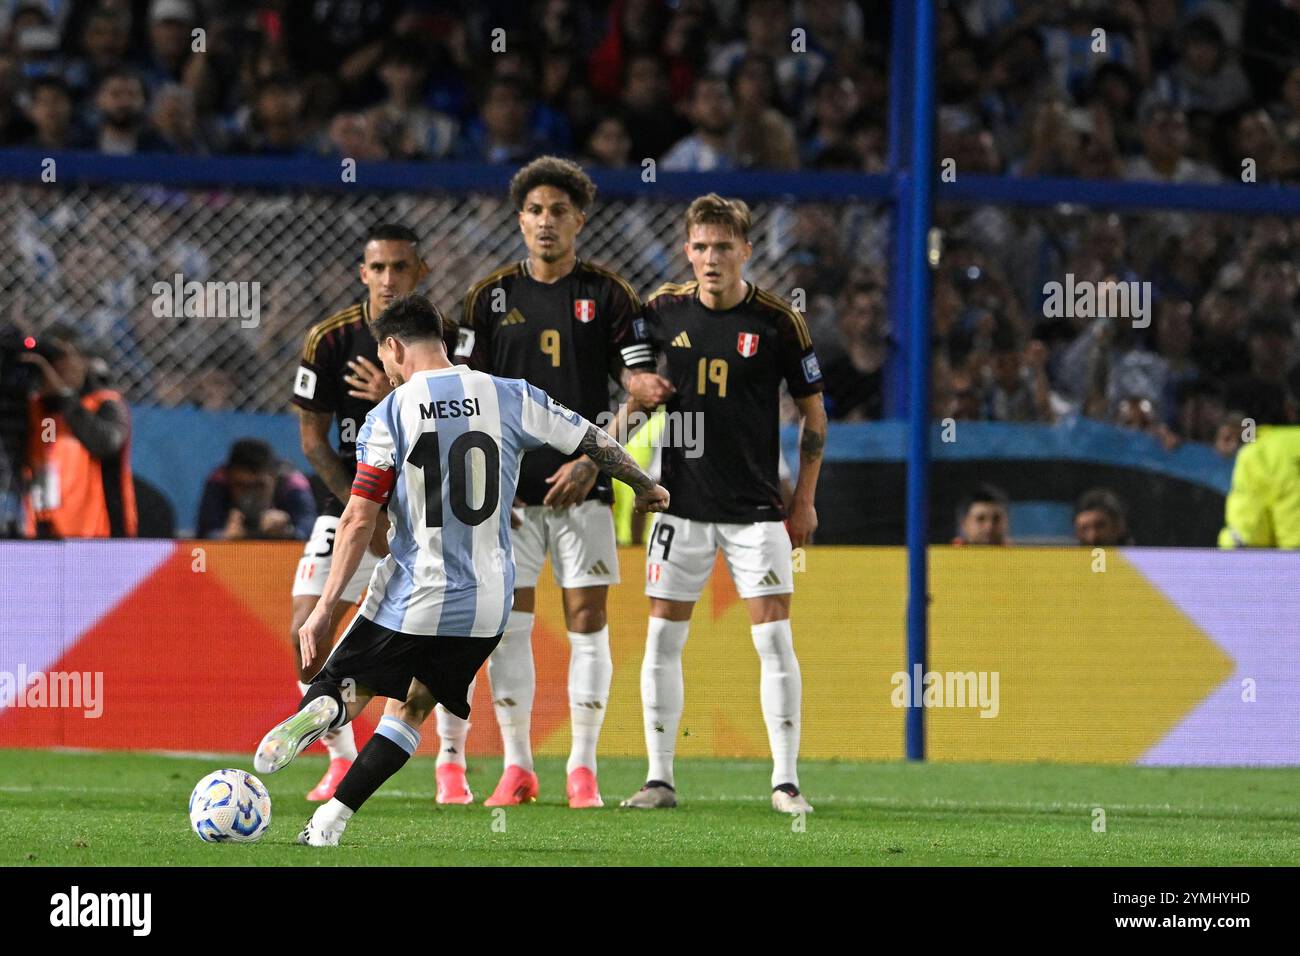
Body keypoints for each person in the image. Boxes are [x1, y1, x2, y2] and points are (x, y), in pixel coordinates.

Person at [253, 293, 669, 847]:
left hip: (414, 589)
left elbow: (358, 516)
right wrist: (646, 485)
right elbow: (592, 439)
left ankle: (330, 703)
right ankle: (330, 824)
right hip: (488, 600)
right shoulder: (508, 395)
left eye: (385, 359)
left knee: (350, 686)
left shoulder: (390, 413)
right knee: (414, 707)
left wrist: (326, 607)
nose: (387, 370)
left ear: (395, 347)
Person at [442, 157, 671, 808]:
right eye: (536, 211)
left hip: (585, 488)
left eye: (559, 212)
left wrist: (595, 458)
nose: (547, 222)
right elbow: (466, 397)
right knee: (510, 625)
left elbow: (640, 391)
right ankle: (517, 767)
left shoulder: (609, 295)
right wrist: (491, 478)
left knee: (587, 623)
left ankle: (583, 768)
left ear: (580, 221)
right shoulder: (488, 298)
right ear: (521, 220)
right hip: (509, 497)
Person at [623, 193, 826, 815]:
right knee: (660, 639)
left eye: (723, 247)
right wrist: (635, 390)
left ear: (746, 250)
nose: (712, 258)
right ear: (689, 251)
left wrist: (806, 503)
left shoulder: (777, 321)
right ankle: (659, 778)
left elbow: (814, 414)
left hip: (757, 511)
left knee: (773, 640)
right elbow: (631, 387)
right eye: (701, 247)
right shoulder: (659, 310)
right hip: (679, 506)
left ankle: (786, 782)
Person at [286, 223, 431, 802]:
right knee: (304, 625)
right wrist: (360, 509)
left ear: (421, 273)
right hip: (349, 501)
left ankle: (450, 764)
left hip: (424, 508)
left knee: (434, 645)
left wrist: (393, 396)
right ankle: (340, 759)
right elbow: (312, 440)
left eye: (401, 267)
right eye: (379, 268)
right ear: (362, 273)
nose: (389, 278)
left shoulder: (436, 338)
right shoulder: (330, 338)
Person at [20, 325, 136, 538]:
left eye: (63, 357)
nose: (57, 367)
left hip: (99, 536)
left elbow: (105, 443)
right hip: (44, 531)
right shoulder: (38, 409)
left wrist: (65, 397)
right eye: (51, 360)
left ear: (83, 360)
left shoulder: (105, 403)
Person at [196, 438, 316, 540]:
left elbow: (310, 531)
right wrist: (223, 536)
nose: (250, 494)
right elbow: (204, 534)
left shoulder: (293, 483)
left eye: (259, 486)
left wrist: (289, 532)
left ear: (274, 477)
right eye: (241, 486)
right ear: (229, 478)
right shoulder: (218, 481)